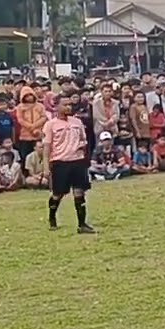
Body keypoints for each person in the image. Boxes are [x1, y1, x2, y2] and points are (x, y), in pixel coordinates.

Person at [41, 96, 96, 233]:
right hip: (60, 162)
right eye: (65, 105)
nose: (69, 107)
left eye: (70, 105)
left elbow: (84, 141)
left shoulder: (77, 122)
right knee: (58, 194)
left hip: (77, 160)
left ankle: (82, 224)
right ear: (56, 107)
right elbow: (47, 147)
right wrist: (46, 167)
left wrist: (84, 156)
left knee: (79, 192)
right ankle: (52, 216)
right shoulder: (51, 125)